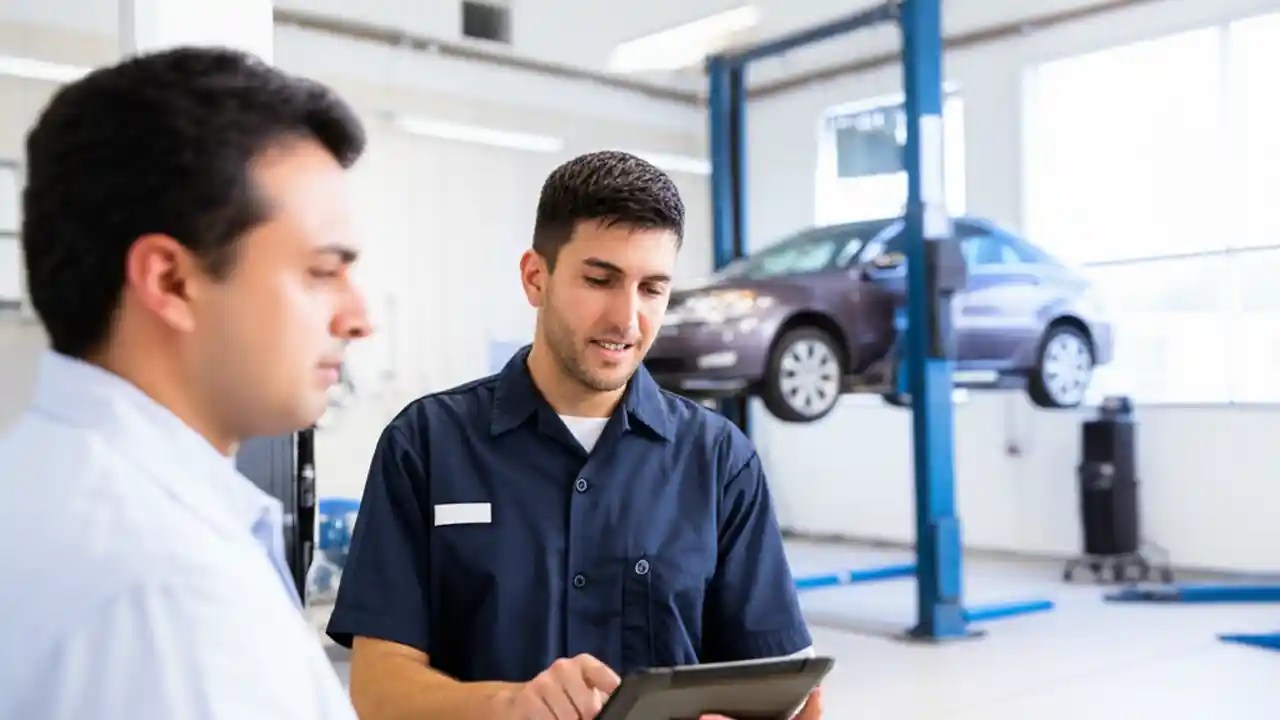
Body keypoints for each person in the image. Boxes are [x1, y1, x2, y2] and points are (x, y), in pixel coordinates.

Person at [326, 150, 821, 720]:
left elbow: (781, 687)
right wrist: (512, 704)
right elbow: (378, 688)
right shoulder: (426, 444)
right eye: (599, 280)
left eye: (651, 288)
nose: (627, 320)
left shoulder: (719, 460)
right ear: (536, 277)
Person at [0, 47, 371, 718]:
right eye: (322, 271)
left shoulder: (41, 486)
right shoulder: (166, 590)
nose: (359, 317)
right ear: (171, 281)